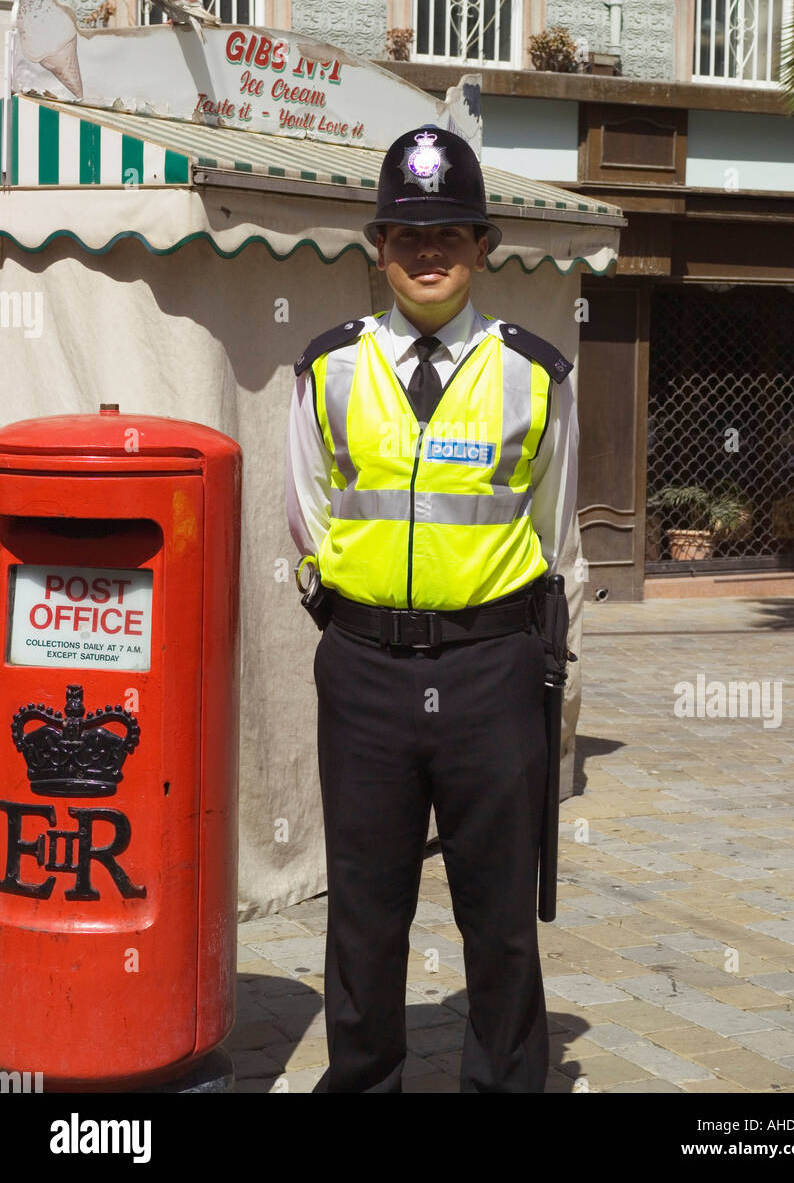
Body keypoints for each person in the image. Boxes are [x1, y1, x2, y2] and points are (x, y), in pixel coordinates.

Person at [285, 124, 578, 1093]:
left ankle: (500, 1082)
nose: (427, 252)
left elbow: (549, 531)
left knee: (494, 911)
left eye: (448, 232)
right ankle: (364, 1080)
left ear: (481, 245)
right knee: (364, 908)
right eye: (407, 234)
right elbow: (307, 519)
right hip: (364, 670)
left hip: (492, 668)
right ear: (378, 244)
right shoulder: (325, 368)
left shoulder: (533, 376)